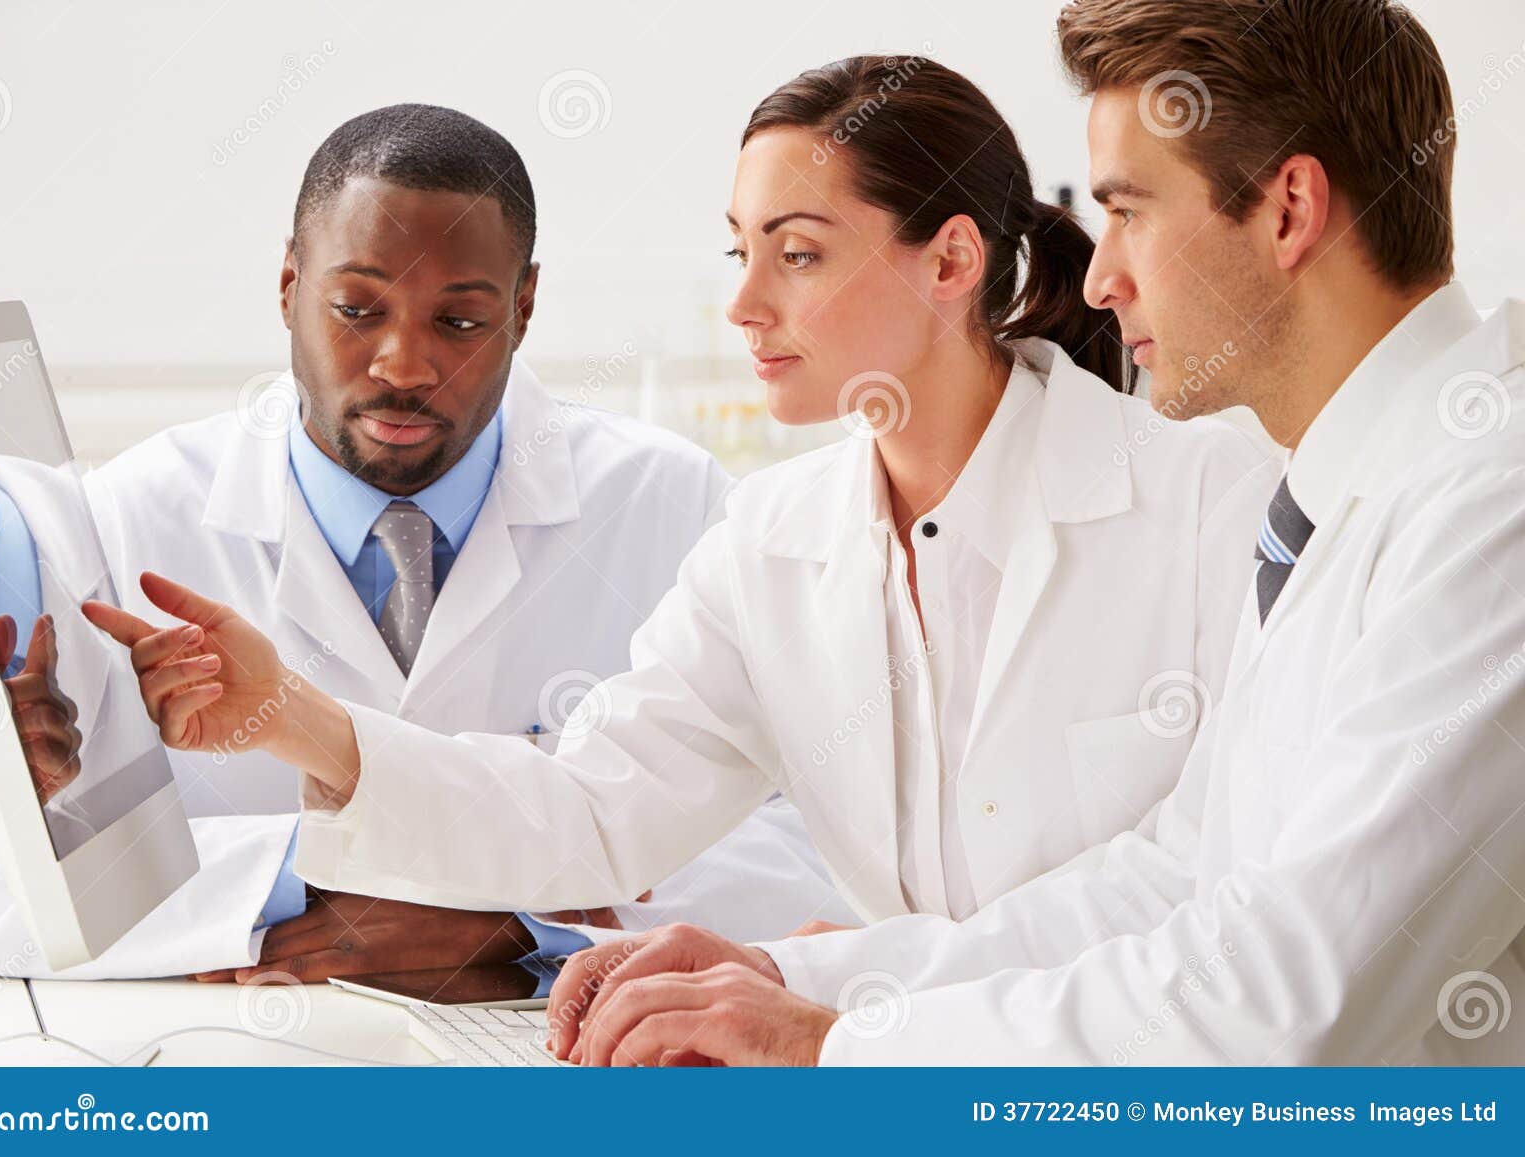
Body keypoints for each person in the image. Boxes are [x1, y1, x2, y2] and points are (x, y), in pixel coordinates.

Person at [89, 59, 1278, 1006]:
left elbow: (1211, 898)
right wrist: (292, 715)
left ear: (951, 260)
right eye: (741, 249)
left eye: (798, 253)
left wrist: (811, 978)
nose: (745, 304)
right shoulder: (775, 541)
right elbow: (590, 813)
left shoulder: (1209, 501)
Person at [531, 0, 1525, 1066]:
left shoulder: (1489, 505)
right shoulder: (1345, 500)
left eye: (1130, 211)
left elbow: (1288, 997)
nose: (1099, 279)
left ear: (1288, 210)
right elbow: (1173, 877)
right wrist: (797, 979)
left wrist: (839, 1049)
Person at [0, 104, 852, 980]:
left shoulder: (670, 502)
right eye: (356, 309)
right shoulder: (122, 519)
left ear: (523, 309)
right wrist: (326, 882)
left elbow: (823, 842)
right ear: (289, 285)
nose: (405, 366)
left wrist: (523, 932)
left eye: (460, 321)